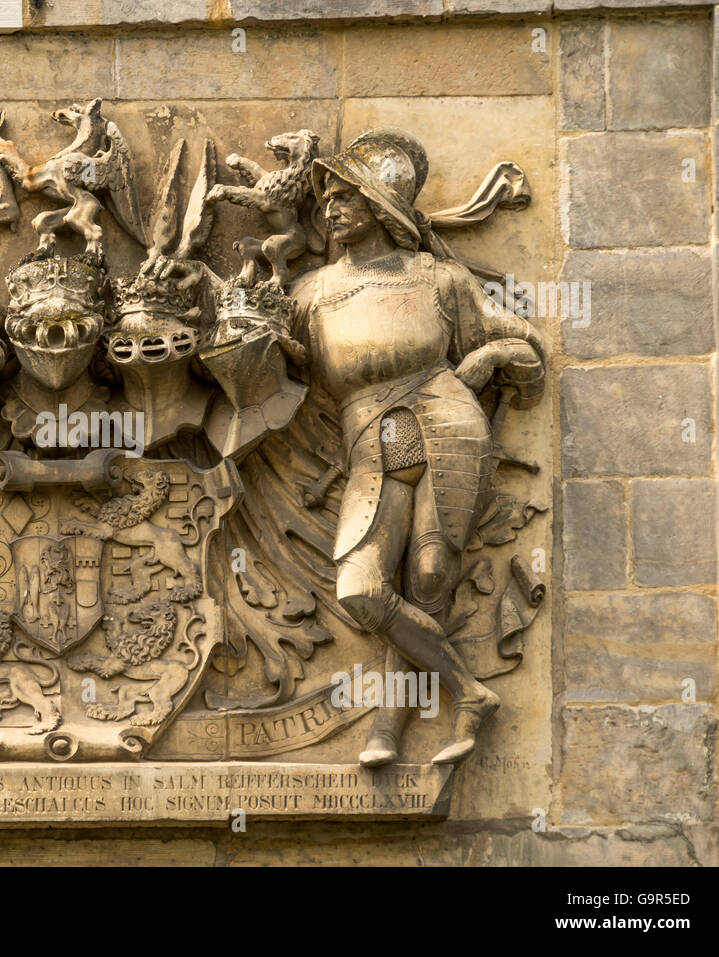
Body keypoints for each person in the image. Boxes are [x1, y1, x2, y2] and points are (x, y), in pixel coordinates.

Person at [291, 129, 544, 766]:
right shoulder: (312, 293)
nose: (331, 208)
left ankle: (386, 731)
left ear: (379, 206)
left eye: (345, 196)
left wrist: (485, 359)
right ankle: (468, 691)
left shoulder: (441, 278)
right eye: (327, 199)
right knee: (361, 589)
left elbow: (524, 347)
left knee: (429, 579)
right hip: (371, 446)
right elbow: (278, 369)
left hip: (448, 430)